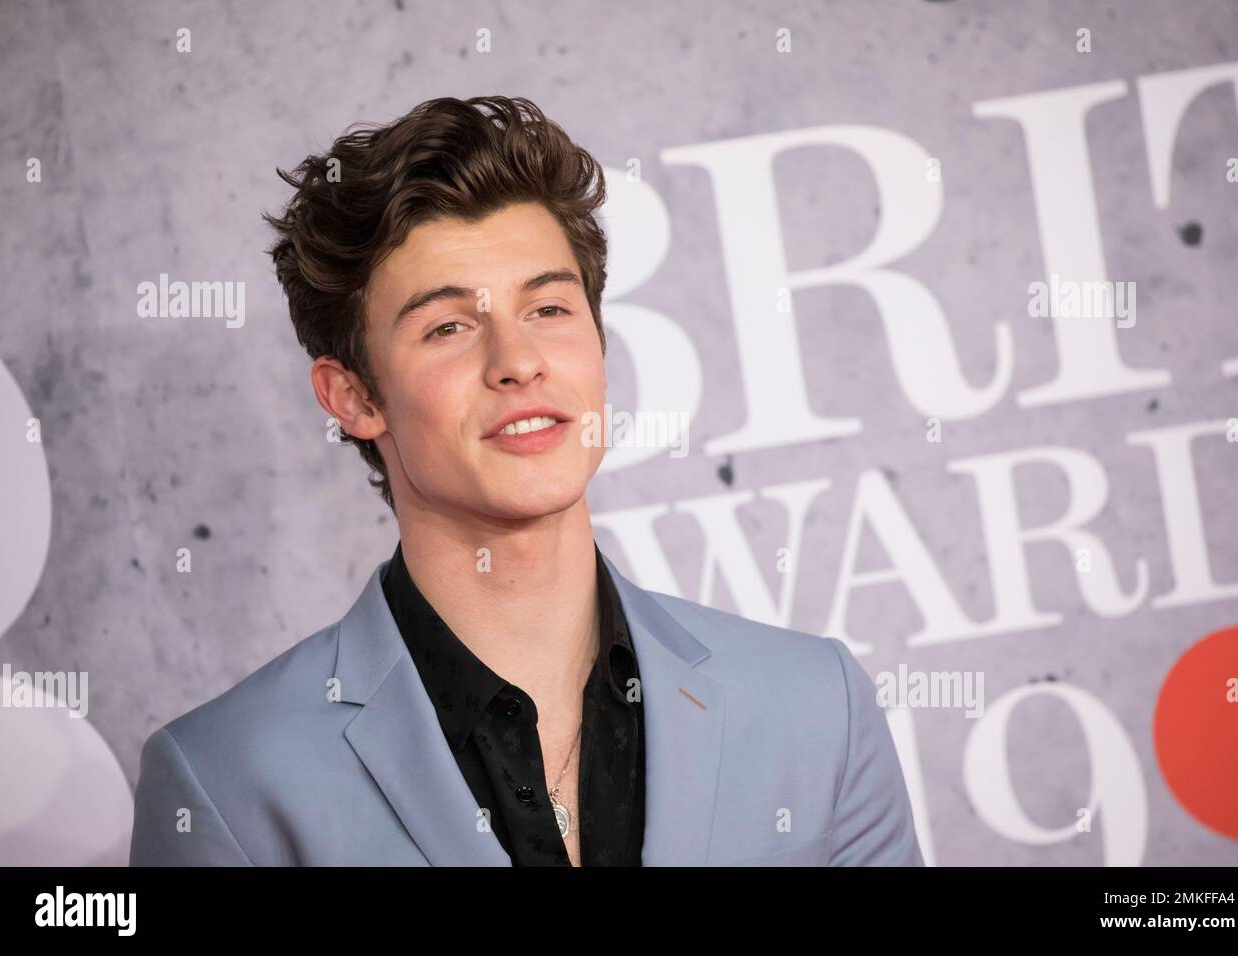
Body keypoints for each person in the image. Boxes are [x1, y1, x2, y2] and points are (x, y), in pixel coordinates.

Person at [128, 96, 924, 867]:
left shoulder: (815, 708)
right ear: (356, 397)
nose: (516, 361)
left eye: (548, 308)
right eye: (448, 327)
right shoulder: (226, 783)